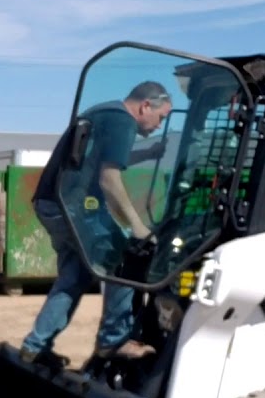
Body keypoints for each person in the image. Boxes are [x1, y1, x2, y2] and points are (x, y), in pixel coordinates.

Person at [20, 81, 172, 365]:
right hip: (74, 208)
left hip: (51, 204)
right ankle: (114, 340)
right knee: (124, 260)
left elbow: (100, 159)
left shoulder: (103, 113)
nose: (158, 125)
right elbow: (109, 178)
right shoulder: (122, 121)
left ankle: (35, 347)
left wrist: (148, 154)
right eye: (161, 117)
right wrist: (137, 227)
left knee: (73, 278)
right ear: (145, 106)